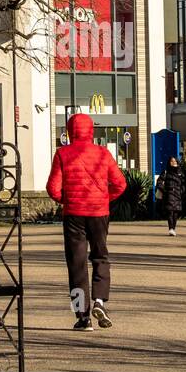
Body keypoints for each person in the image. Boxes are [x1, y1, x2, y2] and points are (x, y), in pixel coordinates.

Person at [46, 113, 126, 331]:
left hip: (74, 214)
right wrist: (103, 199)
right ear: (91, 130)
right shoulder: (103, 153)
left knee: (77, 264)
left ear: (70, 130)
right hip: (99, 213)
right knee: (101, 256)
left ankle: (83, 317)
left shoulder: (62, 153)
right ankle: (100, 301)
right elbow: (120, 183)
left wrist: (67, 199)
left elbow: (52, 188)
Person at [155, 156, 185, 235]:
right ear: (169, 162)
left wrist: (182, 191)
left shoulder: (180, 172)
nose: (173, 163)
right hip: (169, 194)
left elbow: (184, 183)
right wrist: (164, 190)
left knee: (176, 213)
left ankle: (173, 229)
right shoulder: (165, 172)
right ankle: (171, 228)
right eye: (172, 161)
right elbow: (159, 182)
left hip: (178, 194)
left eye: (175, 161)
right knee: (170, 212)